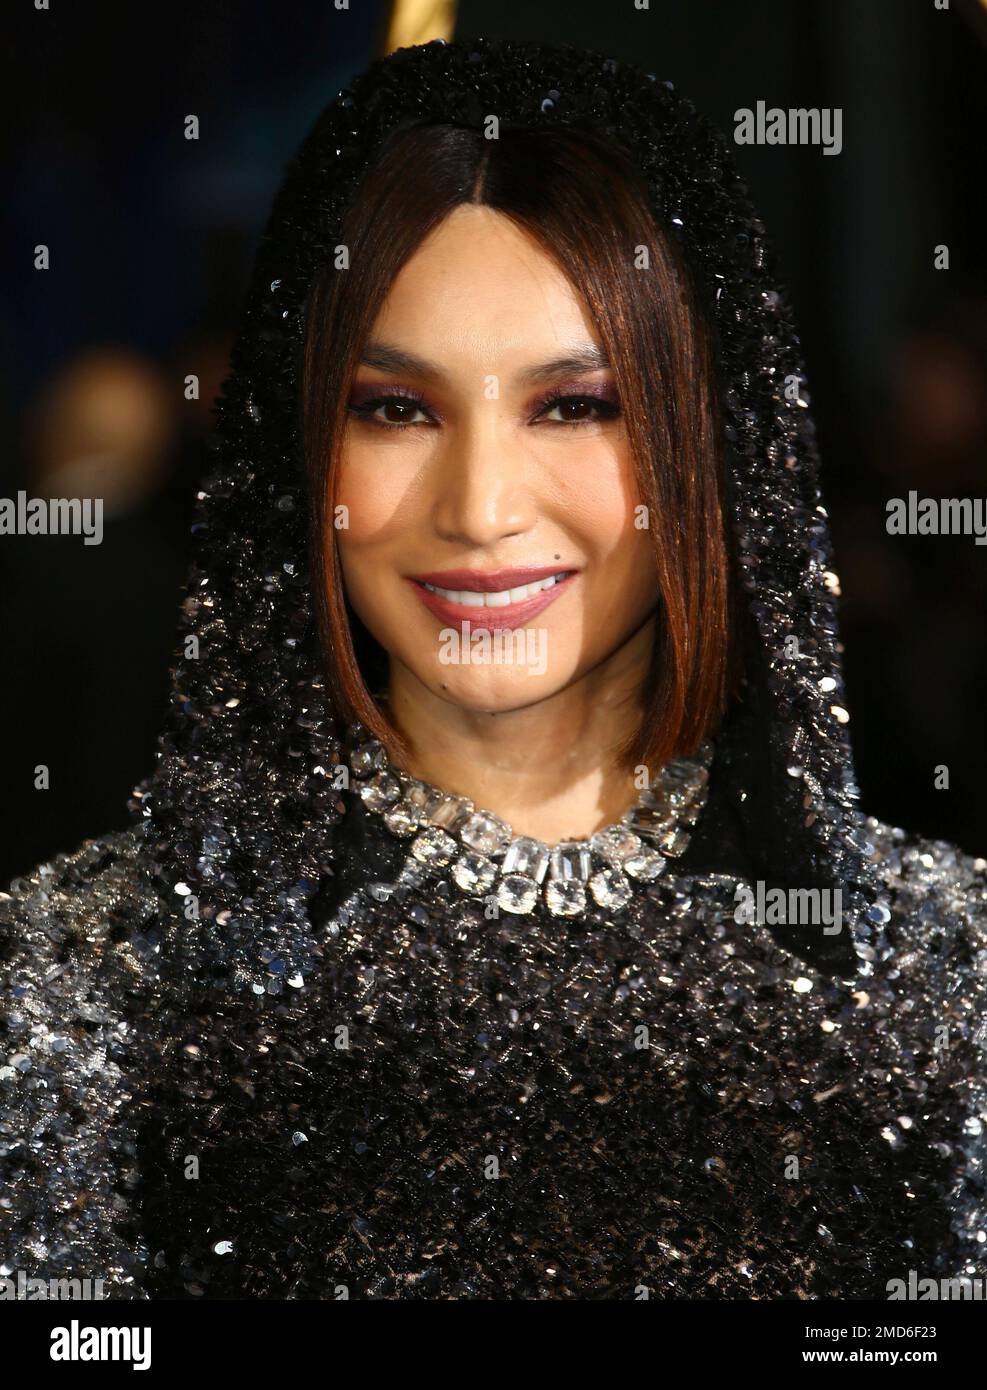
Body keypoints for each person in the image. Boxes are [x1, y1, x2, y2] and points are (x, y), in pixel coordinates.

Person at [2, 37, 985, 1301]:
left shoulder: (937, 974)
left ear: (712, 438)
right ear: (300, 446)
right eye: (394, 408)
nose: (478, 507)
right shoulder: (90, 984)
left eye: (576, 405)